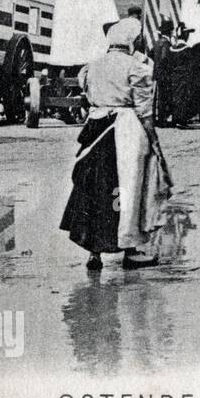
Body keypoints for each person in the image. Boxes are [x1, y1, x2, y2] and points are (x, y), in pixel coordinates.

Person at [59, 17, 171, 271]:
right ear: (132, 41)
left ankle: (94, 254)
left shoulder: (92, 67)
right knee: (128, 189)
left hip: (96, 129)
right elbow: (143, 109)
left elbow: (87, 95)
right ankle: (130, 251)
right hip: (125, 131)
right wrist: (153, 140)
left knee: (93, 190)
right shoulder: (136, 67)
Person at [151, 19, 175, 127]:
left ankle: (157, 118)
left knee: (157, 96)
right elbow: (165, 58)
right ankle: (162, 119)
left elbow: (150, 55)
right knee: (164, 97)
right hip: (165, 74)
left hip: (156, 73)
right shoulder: (167, 43)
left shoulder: (156, 43)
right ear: (170, 32)